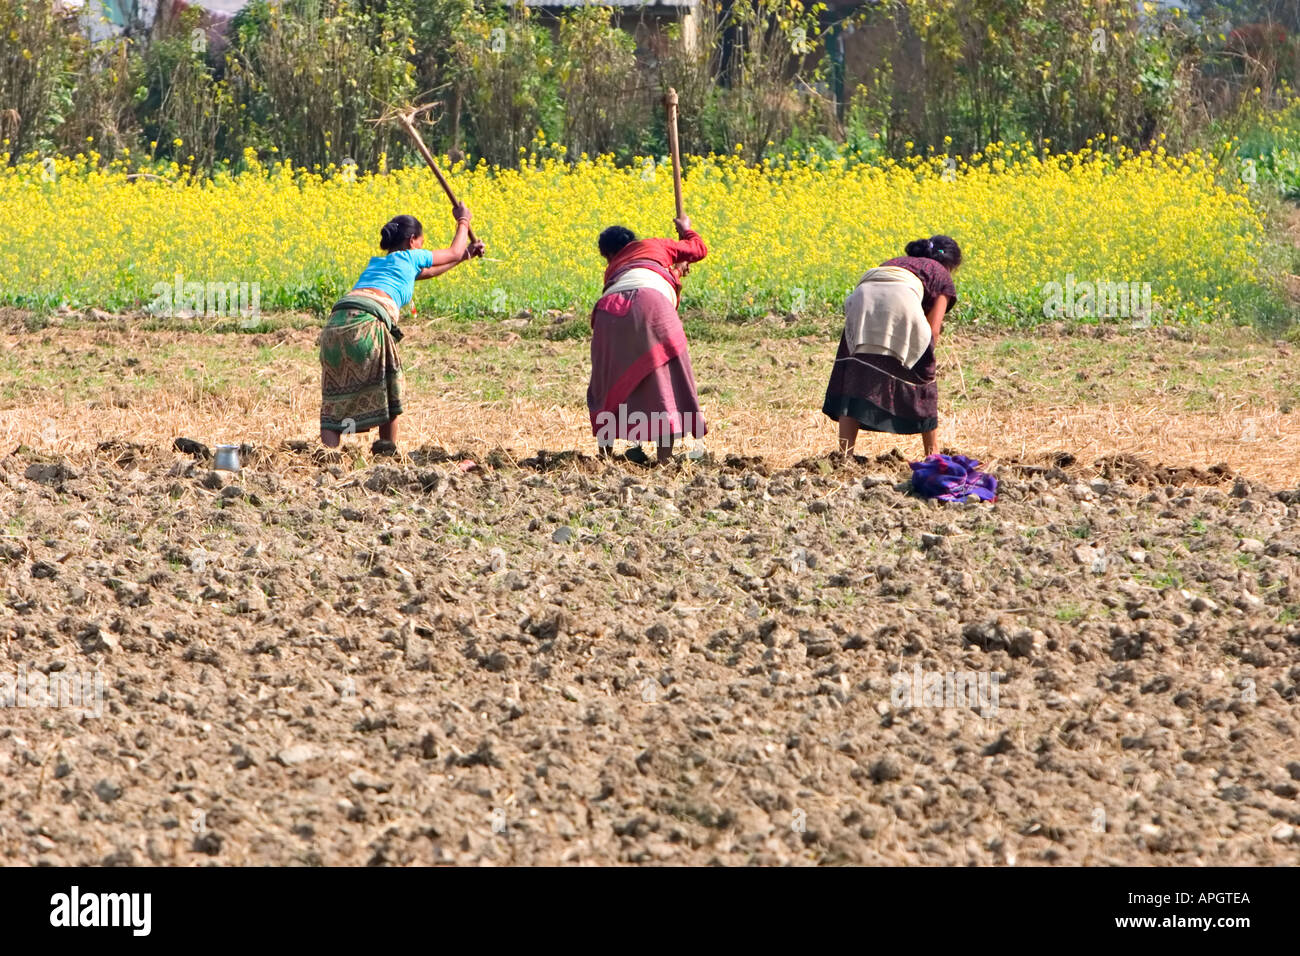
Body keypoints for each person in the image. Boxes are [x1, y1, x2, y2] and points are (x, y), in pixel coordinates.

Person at [320, 208, 484, 453]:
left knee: (335, 397)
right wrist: (463, 220)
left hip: (335, 324)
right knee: (389, 388)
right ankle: (386, 453)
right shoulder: (410, 256)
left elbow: (428, 271)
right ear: (411, 242)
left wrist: (464, 257)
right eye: (421, 244)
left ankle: (328, 456)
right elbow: (452, 251)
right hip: (368, 321)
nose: (421, 249)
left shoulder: (379, 263)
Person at [822, 235, 961, 458]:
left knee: (856, 372)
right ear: (951, 264)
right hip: (901, 299)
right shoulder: (941, 274)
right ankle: (932, 454)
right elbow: (933, 329)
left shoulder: (897, 262)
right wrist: (921, 362)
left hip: (862, 298)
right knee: (924, 379)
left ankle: (844, 454)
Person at [587, 216, 709, 465]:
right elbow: (699, 250)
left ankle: (606, 456)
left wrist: (676, 270)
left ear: (608, 254)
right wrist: (687, 230)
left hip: (608, 311)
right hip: (651, 304)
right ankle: (665, 459)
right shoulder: (657, 245)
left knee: (610, 381)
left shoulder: (613, 268)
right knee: (666, 379)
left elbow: (642, 279)